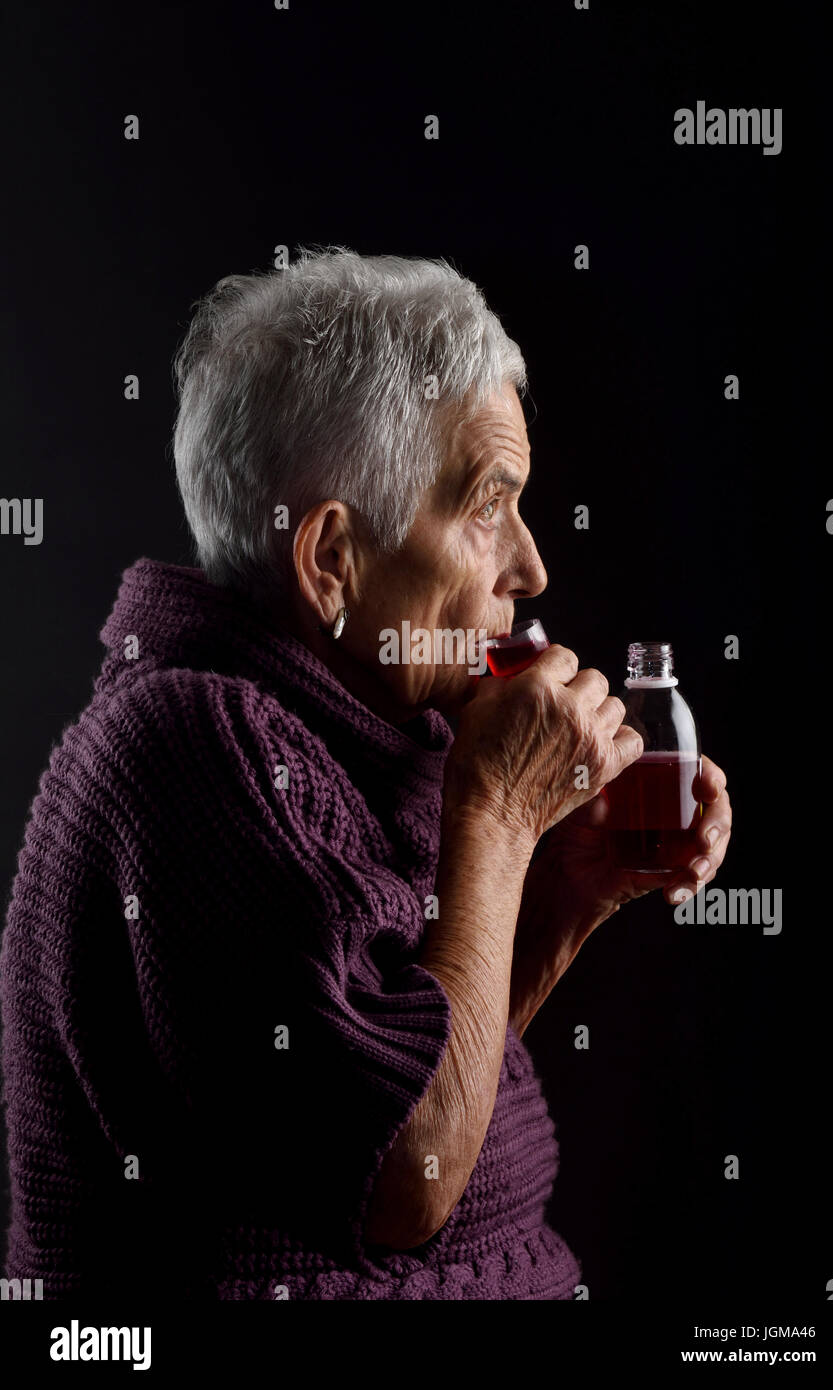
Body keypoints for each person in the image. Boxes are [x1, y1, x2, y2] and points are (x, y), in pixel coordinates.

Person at [0, 247, 732, 1299]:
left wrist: (562, 888)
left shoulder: (339, 732)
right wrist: (493, 807)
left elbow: (384, 1076)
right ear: (330, 560)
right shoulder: (195, 743)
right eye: (487, 504)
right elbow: (405, 1172)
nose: (529, 569)